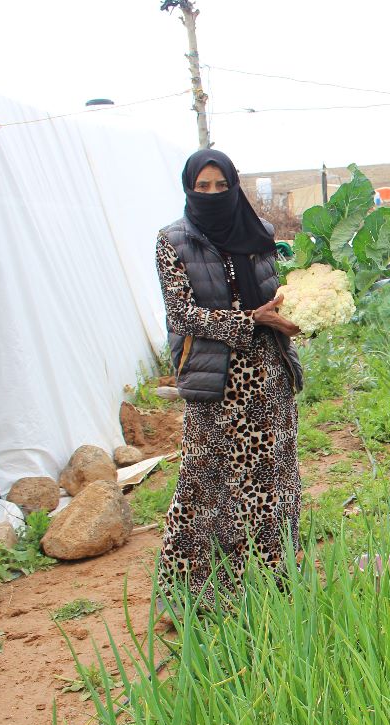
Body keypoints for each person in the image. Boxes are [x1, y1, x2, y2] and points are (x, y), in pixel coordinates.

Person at [154, 149, 305, 612]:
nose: (214, 194)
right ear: (189, 189)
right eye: (204, 187)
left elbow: (279, 292)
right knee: (209, 486)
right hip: (218, 383)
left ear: (234, 186)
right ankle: (198, 597)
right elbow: (180, 313)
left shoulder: (259, 234)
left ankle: (274, 587)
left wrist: (293, 314)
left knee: (273, 479)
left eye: (222, 186)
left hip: (269, 376)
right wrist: (248, 321)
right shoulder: (173, 240)